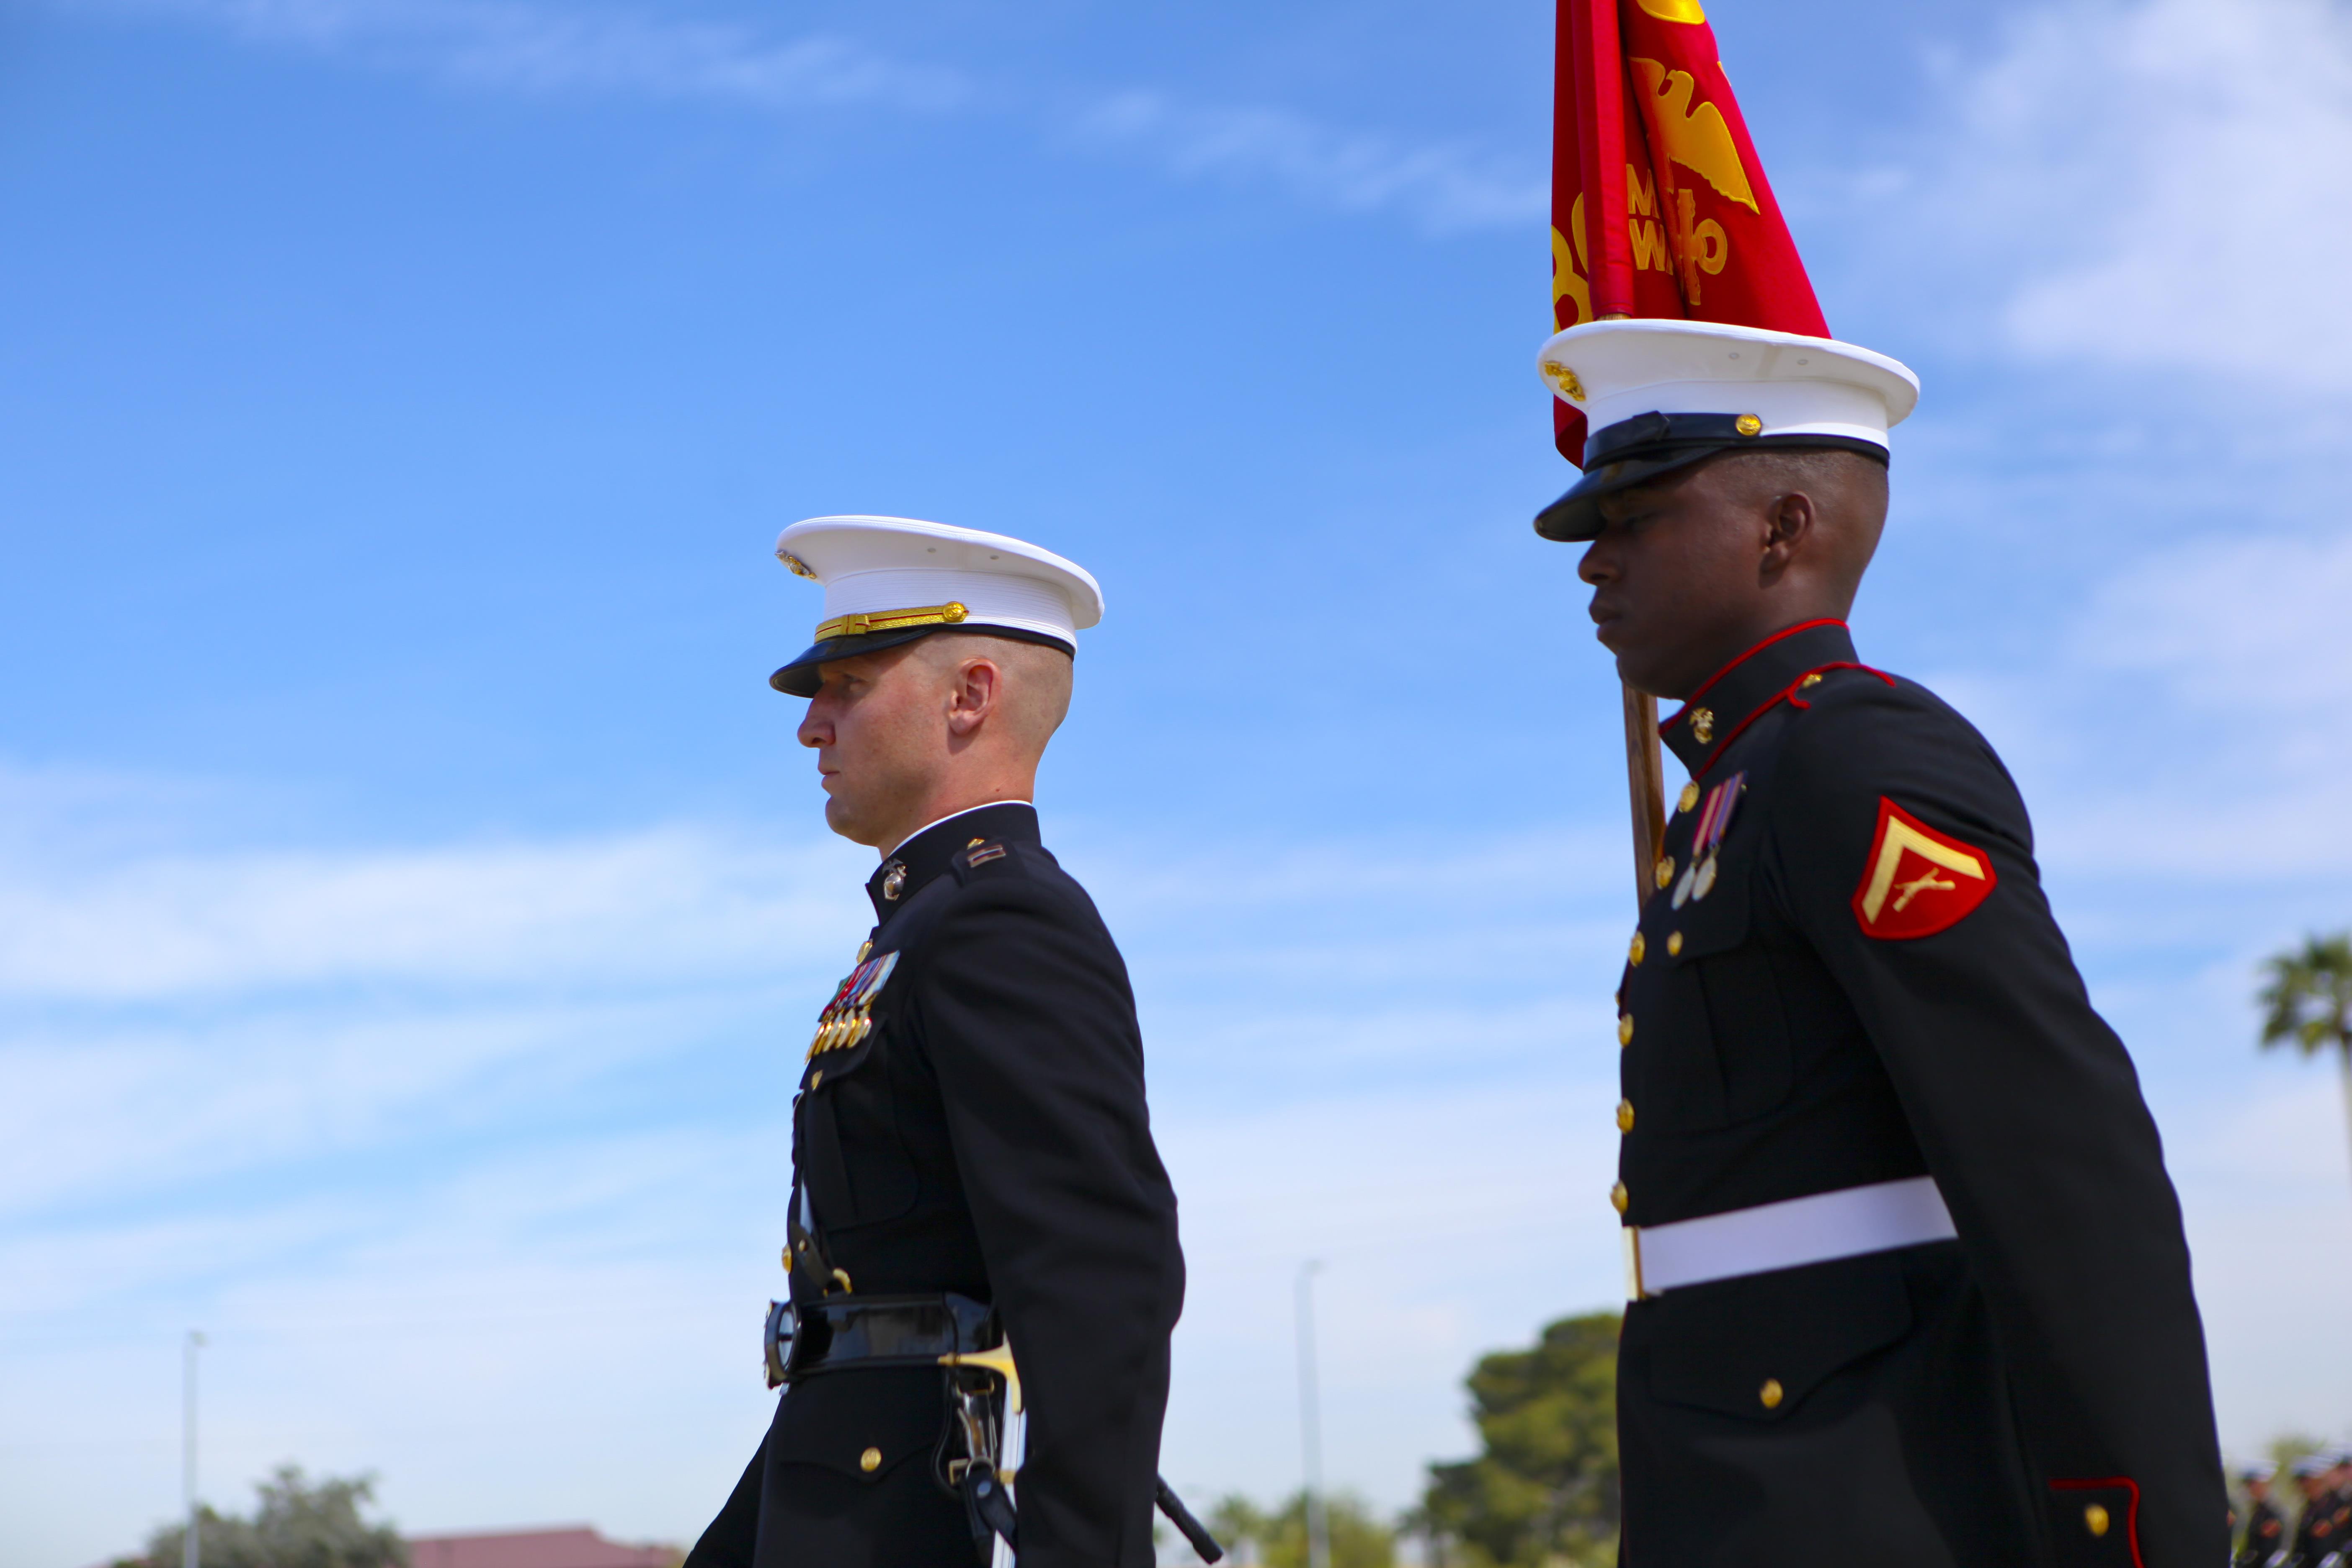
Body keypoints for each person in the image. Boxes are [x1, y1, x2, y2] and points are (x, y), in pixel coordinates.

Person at [1531, 318, 2227, 1565]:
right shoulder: (1730, 793)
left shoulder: (1853, 758)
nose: (1596, 563)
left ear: (1784, 529)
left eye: (1635, 521)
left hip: (1876, 1489)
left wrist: (2135, 1536)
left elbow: (2060, 1169)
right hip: (1742, 1479)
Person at [682, 515, 1186, 1568]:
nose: (811, 726)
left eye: (847, 686)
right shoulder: (923, 923)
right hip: (844, 1480)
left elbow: (1099, 1277)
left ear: (970, 697)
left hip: (916, 1505)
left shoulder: (1001, 919)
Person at [2237, 1464, 2286, 1568]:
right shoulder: (2256, 1511)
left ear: (2266, 1485)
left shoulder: (2273, 1513)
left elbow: (2268, 1550)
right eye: (2248, 1485)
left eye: (2254, 1484)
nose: (2250, 1488)